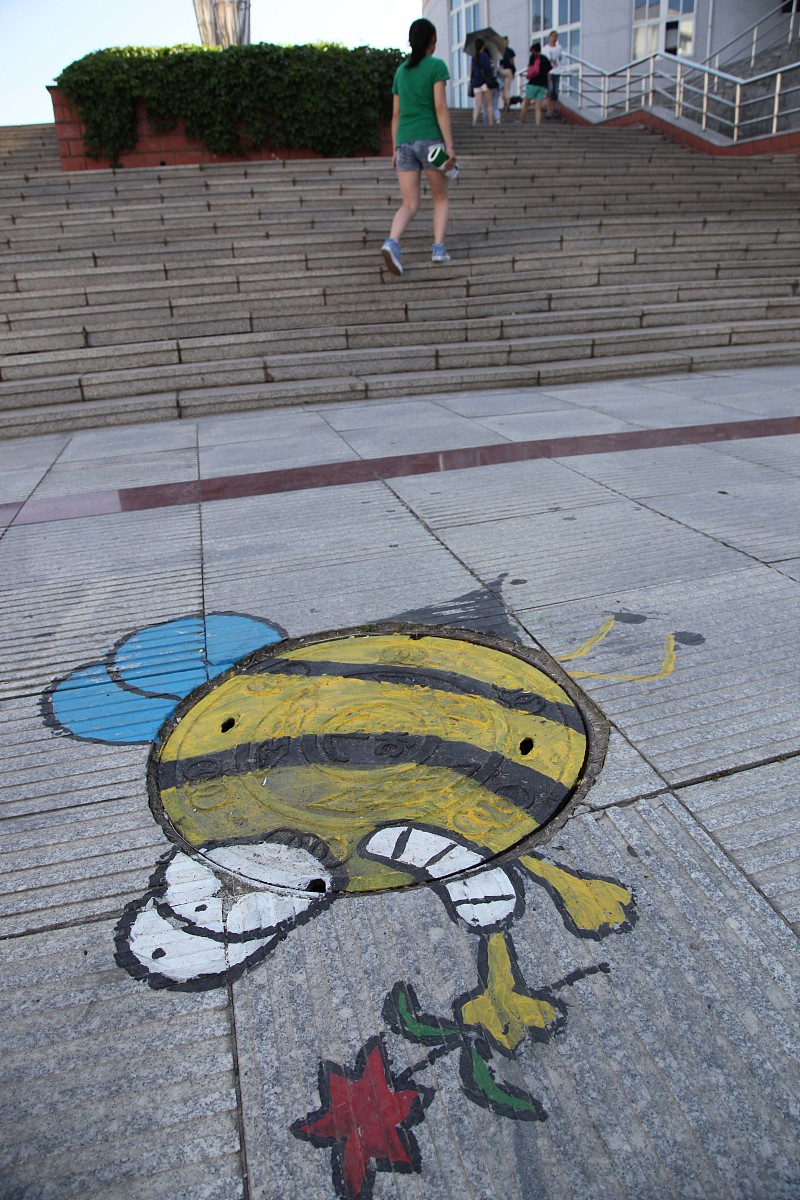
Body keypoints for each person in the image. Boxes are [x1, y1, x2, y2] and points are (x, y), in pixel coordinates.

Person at [381, 18, 457, 276]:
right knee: (441, 197)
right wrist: (450, 145)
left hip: (404, 142)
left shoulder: (401, 72)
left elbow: (395, 115)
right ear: (431, 41)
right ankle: (438, 249)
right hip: (431, 143)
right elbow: (440, 107)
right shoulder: (436, 66)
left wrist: (394, 149)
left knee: (409, 204)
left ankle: (392, 242)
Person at [518, 42, 551, 127]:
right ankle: (537, 124)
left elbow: (530, 70)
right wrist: (548, 86)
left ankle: (521, 121)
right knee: (538, 107)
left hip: (532, 84)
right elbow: (548, 74)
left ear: (533, 50)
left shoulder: (533, 57)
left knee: (526, 104)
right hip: (542, 86)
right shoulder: (545, 59)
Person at [470, 38, 495, 127]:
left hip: (476, 82)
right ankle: (491, 122)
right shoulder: (485, 56)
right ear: (482, 46)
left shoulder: (473, 58)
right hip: (485, 82)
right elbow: (488, 68)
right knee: (489, 104)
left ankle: (474, 121)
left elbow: (472, 71)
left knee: (478, 104)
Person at [545, 29, 563, 118]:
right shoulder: (546, 48)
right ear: (550, 37)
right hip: (549, 72)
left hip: (557, 71)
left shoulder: (559, 47)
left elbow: (560, 58)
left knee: (555, 92)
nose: (554, 38)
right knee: (550, 91)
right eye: (553, 36)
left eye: (556, 36)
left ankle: (555, 110)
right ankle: (549, 110)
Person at [499, 43, 516, 115]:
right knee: (507, 88)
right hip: (509, 70)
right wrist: (513, 71)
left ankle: (504, 102)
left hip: (501, 70)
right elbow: (513, 62)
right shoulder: (510, 51)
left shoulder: (499, 50)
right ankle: (508, 102)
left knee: (501, 88)